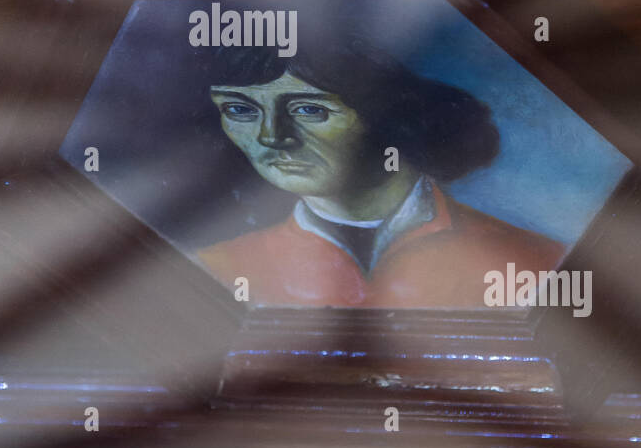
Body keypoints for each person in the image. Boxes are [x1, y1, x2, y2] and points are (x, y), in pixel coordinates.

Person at [194, 25, 564, 308]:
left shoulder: (540, 266)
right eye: (240, 109)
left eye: (310, 110)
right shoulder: (215, 270)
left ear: (387, 115)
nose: (271, 136)